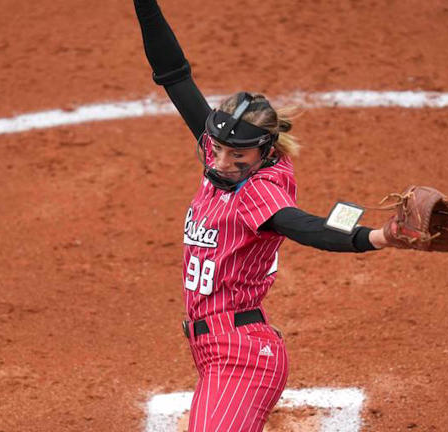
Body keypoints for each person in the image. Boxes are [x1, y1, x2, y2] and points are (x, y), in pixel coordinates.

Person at [132, 1, 422, 430]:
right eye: (218, 148)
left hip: (242, 359)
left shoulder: (259, 191)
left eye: (238, 154)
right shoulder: (223, 154)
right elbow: (174, 75)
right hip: (213, 350)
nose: (223, 161)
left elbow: (308, 226)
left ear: (265, 149)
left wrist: (376, 235)